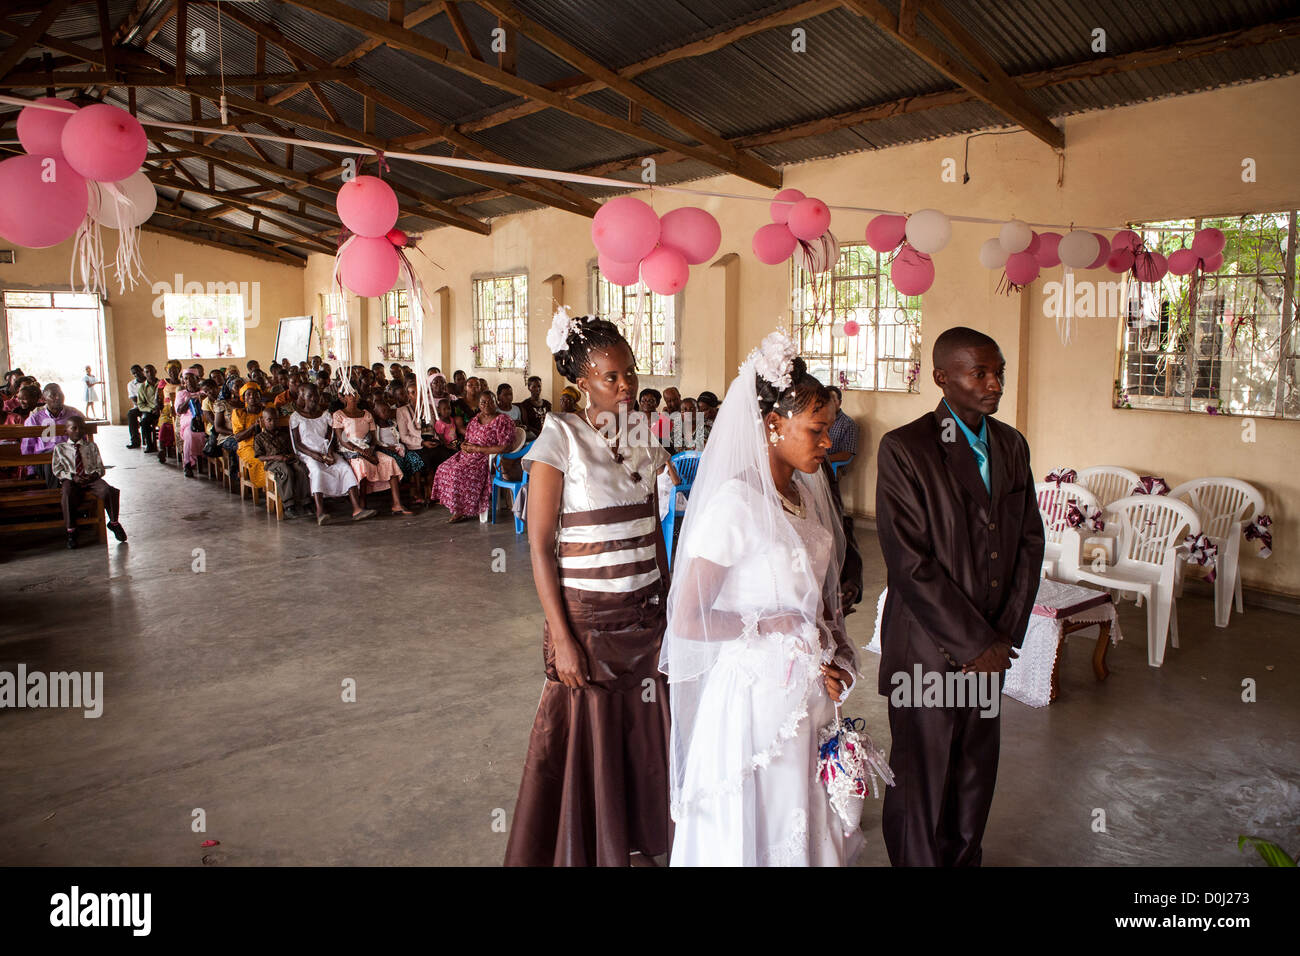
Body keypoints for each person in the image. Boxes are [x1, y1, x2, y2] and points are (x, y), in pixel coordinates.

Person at [661, 332, 858, 867]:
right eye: (816, 431)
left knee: (799, 817)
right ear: (773, 426)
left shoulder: (800, 495)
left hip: (805, 692)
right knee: (758, 822)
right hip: (753, 700)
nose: (826, 443)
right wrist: (768, 627)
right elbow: (688, 617)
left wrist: (828, 659)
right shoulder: (736, 503)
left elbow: (812, 605)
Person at [504, 313, 675, 867]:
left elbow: (651, 527)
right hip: (592, 622)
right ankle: (588, 848)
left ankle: (641, 841)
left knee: (646, 738)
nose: (627, 386)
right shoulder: (560, 439)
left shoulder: (641, 436)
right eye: (611, 377)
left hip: (646, 616)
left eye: (629, 373)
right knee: (590, 739)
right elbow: (539, 545)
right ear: (582, 383)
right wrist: (563, 635)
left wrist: (668, 602)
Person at [874, 326, 1044, 867]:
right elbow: (910, 564)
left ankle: (964, 859)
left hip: (991, 649)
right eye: (980, 372)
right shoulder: (906, 448)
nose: (995, 383)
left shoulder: (1012, 445)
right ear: (942, 378)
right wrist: (974, 644)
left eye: (999, 371)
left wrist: (1004, 636)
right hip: (928, 649)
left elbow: (1029, 543)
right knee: (923, 776)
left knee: (974, 768)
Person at [290, 384, 373, 524]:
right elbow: (298, 444)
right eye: (309, 396)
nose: (313, 399)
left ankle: (357, 508)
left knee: (344, 468)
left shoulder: (325, 415)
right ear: (303, 397)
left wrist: (328, 453)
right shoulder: (296, 417)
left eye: (316, 395)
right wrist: (316, 456)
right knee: (316, 471)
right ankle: (320, 512)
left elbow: (331, 437)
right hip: (308, 453)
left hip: (325, 451)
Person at [429, 391, 515, 523]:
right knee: (443, 468)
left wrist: (479, 449)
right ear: (479, 405)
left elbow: (506, 447)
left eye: (490, 401)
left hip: (487, 458)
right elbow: (468, 438)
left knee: (458, 472)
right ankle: (458, 507)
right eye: (483, 402)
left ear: (496, 402)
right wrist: (464, 445)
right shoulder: (475, 420)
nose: (487, 405)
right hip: (468, 455)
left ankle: (461, 510)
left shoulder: (503, 420)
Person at [52, 415, 126, 549]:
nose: (77, 431)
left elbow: (100, 467)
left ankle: (114, 522)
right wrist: (72, 476)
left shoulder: (91, 446)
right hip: (71, 479)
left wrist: (94, 475)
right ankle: (71, 531)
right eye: (73, 428)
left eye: (81, 428)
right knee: (67, 494)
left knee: (108, 490)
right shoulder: (60, 448)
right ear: (66, 431)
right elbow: (57, 470)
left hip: (91, 479)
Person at [332, 390, 411, 516]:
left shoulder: (366, 414)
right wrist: (361, 451)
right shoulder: (339, 415)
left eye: (355, 394)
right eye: (349, 394)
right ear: (343, 397)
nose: (353, 397)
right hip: (350, 450)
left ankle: (396, 503)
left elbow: (373, 438)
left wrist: (371, 448)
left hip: (368, 448)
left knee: (389, 461)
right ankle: (362, 504)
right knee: (361, 464)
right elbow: (343, 440)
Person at [254, 408, 311, 518]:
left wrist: (290, 455)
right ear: (263, 421)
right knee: (285, 471)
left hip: (287, 459)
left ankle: (305, 502)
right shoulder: (259, 437)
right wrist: (276, 457)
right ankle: (289, 505)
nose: (272, 422)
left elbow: (293, 448)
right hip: (273, 462)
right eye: (269, 420)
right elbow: (260, 457)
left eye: (275, 419)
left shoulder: (285, 433)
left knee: (302, 469)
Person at [22, 384, 82, 485]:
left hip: (69, 457)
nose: (58, 397)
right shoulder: (35, 418)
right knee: (51, 461)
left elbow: (83, 440)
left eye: (60, 394)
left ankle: (62, 493)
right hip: (44, 461)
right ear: (44, 399)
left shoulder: (74, 415)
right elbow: (27, 447)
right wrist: (31, 470)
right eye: (53, 395)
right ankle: (58, 494)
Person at [229, 382, 269, 491]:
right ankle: (265, 487)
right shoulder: (239, 413)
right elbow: (238, 437)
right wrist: (253, 427)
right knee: (259, 460)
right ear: (244, 398)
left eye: (256, 395)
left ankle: (273, 487)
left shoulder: (266, 411)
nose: (252, 397)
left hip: (266, 443)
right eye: (248, 395)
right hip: (247, 445)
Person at [174, 367, 207, 478]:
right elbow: (179, 411)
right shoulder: (182, 394)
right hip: (189, 422)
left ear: (197, 379)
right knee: (190, 434)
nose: (188, 381)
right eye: (186, 378)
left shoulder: (204, 392)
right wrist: (188, 400)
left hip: (204, 421)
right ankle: (188, 463)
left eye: (191, 378)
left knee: (204, 434)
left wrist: (202, 397)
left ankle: (203, 459)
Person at [826, 386, 859, 468]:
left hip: (831, 465)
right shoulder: (816, 419)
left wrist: (824, 459)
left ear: (840, 403)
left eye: (833, 400)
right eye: (826, 400)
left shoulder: (848, 424)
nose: (829, 404)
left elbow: (847, 455)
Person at [519, 375, 551, 439]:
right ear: (529, 388)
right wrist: (539, 434)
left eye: (539, 386)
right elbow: (526, 425)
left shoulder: (547, 404)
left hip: (547, 434)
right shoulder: (525, 405)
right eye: (534, 387)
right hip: (533, 436)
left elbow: (550, 421)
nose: (537, 389)